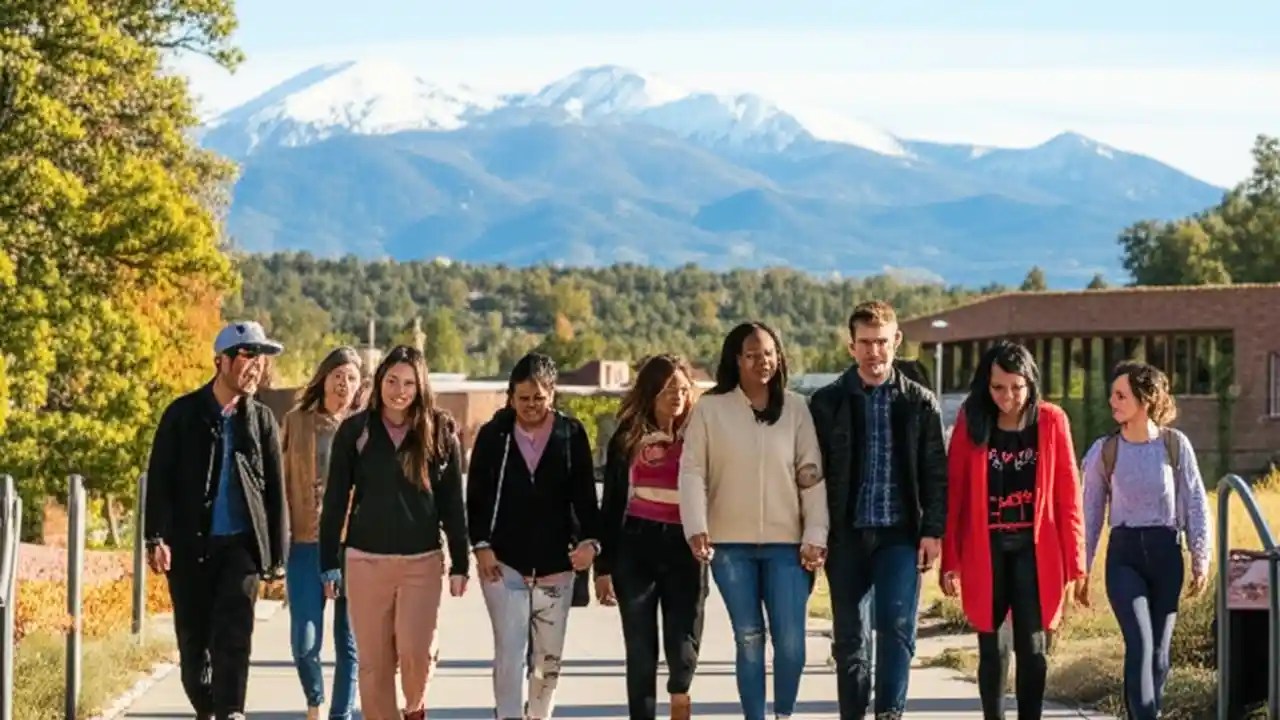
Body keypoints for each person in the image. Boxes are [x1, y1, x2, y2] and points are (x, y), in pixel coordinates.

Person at [678, 322, 829, 720]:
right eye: (752, 354)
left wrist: (816, 533)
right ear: (736, 359)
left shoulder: (796, 408)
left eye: (768, 353)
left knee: (791, 643)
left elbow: (811, 476)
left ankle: (783, 713)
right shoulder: (711, 409)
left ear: (779, 357)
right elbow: (692, 471)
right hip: (729, 547)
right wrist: (696, 526)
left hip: (788, 546)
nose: (762, 361)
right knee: (748, 638)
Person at [807, 300, 947, 720]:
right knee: (850, 638)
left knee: (897, 627)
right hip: (845, 534)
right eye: (865, 343)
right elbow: (812, 476)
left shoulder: (920, 403)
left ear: (896, 341)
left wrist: (932, 530)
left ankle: (889, 712)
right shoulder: (826, 403)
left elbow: (935, 473)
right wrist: (815, 532)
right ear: (851, 346)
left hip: (900, 536)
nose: (874, 352)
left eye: (882, 342)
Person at [143, 320, 289, 720]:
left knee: (235, 634)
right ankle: (207, 707)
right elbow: (160, 479)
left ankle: (230, 711)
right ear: (220, 362)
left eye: (260, 359)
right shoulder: (182, 414)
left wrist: (277, 556)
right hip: (190, 546)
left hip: (240, 546)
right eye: (247, 356)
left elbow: (275, 492)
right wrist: (154, 537)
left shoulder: (261, 422)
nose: (255, 366)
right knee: (194, 645)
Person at [318, 345, 470, 720]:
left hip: (422, 561)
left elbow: (452, 504)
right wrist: (328, 563)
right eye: (391, 381)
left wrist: (460, 562)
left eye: (408, 383)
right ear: (379, 380)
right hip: (365, 561)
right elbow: (335, 500)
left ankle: (415, 707)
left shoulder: (439, 434)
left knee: (416, 653)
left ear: (420, 388)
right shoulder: (356, 432)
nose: (399, 390)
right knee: (373, 665)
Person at [939, 341, 1086, 720]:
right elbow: (954, 493)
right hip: (985, 549)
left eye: (1017, 387)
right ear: (986, 386)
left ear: (1031, 383)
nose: (1008, 397)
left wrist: (1077, 564)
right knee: (992, 646)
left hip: (1035, 552)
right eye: (998, 388)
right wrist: (949, 560)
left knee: (1034, 647)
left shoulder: (1052, 421)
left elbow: (1068, 497)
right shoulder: (972, 422)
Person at [466, 352, 602, 720]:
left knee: (547, 664)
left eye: (538, 398)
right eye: (523, 398)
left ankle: (539, 715)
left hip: (557, 566)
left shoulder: (571, 435)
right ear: (510, 396)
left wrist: (591, 542)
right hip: (503, 565)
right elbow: (476, 496)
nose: (530, 406)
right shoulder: (494, 436)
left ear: (552, 394)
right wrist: (481, 546)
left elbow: (586, 499)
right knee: (509, 655)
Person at [1079, 361, 1212, 720]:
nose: (1112, 401)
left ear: (1146, 399)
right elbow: (1090, 512)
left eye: (1121, 395)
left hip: (1167, 554)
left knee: (1159, 655)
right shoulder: (1105, 451)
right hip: (1124, 558)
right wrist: (1081, 568)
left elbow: (1196, 499)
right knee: (1139, 643)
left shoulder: (1174, 445)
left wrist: (1201, 557)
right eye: (1113, 394)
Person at [596, 354, 707, 720]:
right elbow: (611, 505)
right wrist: (604, 567)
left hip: (685, 545)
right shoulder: (627, 437)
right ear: (650, 393)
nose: (676, 395)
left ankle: (680, 697)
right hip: (637, 544)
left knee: (683, 645)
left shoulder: (701, 434)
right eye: (666, 389)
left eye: (681, 388)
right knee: (641, 650)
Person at [281, 346, 363, 720]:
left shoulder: (365, 428)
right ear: (324, 377)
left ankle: (340, 715)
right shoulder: (296, 422)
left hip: (352, 547)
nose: (344, 383)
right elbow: (278, 482)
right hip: (305, 543)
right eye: (338, 375)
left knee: (348, 644)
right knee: (304, 642)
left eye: (352, 377)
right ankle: (314, 702)